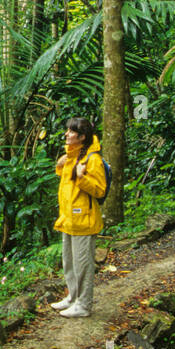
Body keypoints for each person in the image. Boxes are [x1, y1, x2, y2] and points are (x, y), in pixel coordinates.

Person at [49, 117, 107, 318]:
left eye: (71, 132)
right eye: (67, 130)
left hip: (84, 221)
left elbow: (100, 190)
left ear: (82, 137)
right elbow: (67, 185)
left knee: (83, 265)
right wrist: (60, 165)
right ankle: (73, 297)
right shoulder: (71, 156)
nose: (66, 134)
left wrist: (82, 178)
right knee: (70, 263)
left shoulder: (93, 159)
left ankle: (83, 305)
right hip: (68, 220)